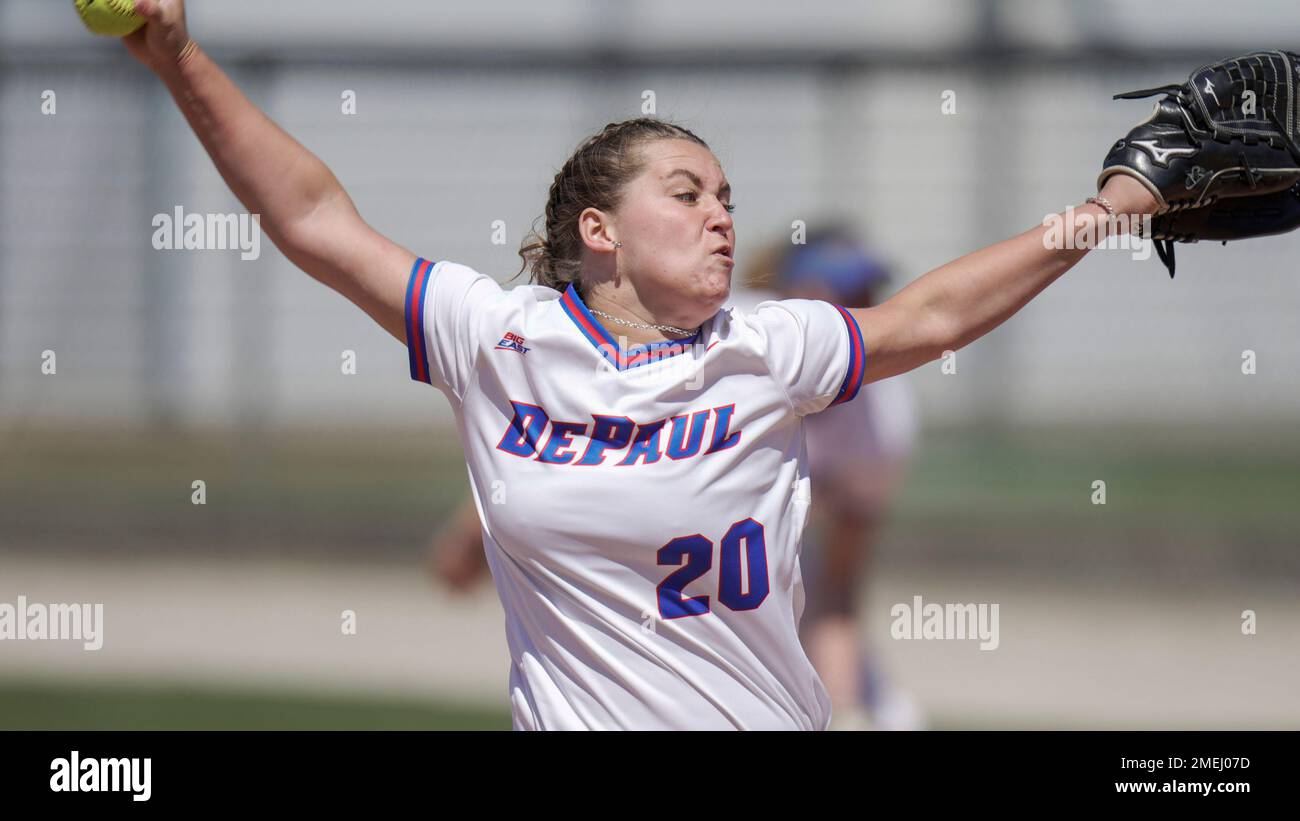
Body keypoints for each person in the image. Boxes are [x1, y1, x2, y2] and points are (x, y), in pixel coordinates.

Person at [124, 0, 1158, 730]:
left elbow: (931, 315)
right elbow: (312, 217)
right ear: (600, 229)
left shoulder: (768, 345)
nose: (720, 216)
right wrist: (178, 56)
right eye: (686, 192)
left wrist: (1108, 210)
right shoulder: (496, 338)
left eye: (726, 199)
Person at [731, 231, 921, 730]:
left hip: (764, 550)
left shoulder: (883, 419)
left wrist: (849, 714)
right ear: (794, 299)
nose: (865, 310)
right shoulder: (724, 336)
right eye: (845, 294)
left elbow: (839, 585)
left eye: (868, 295)